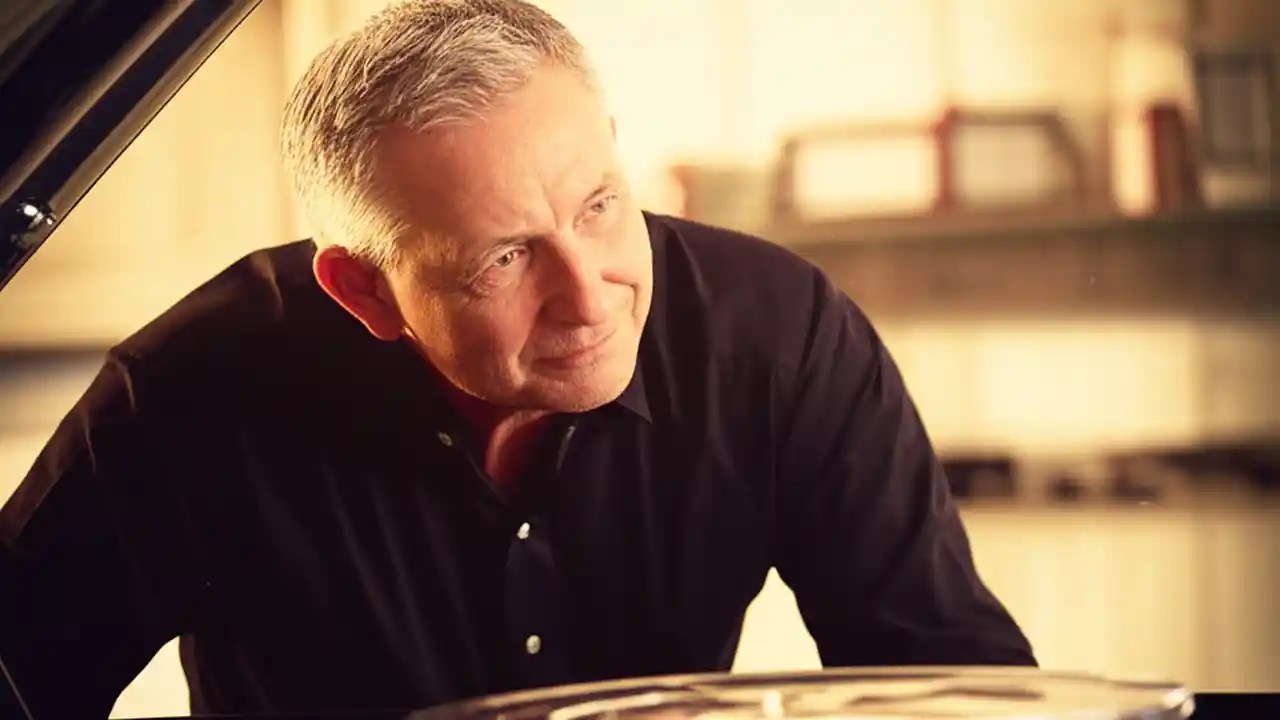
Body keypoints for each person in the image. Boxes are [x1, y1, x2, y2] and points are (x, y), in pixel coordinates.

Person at [0, 0, 1035, 716]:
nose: (591, 296)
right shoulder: (187, 395)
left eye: (599, 206)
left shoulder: (780, 338)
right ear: (365, 292)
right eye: (504, 258)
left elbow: (954, 688)